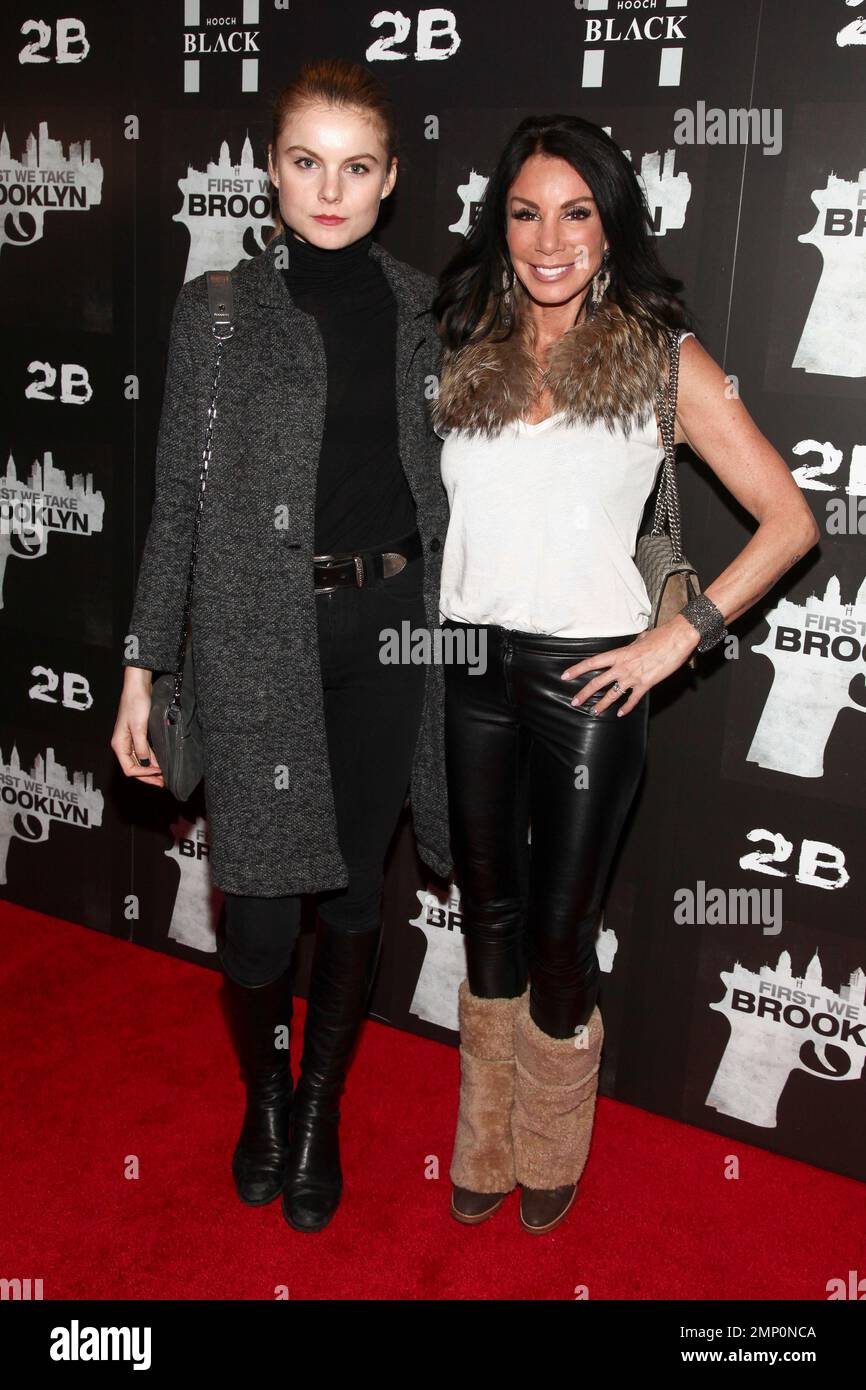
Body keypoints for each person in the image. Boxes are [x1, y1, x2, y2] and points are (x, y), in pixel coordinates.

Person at [430, 114, 820, 1235]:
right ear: (497, 223)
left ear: (610, 229)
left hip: (586, 682)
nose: (548, 239)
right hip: (465, 662)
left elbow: (788, 520)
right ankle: (483, 1137)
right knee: (486, 918)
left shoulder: (661, 355)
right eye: (523, 212)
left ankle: (550, 1139)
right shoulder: (468, 337)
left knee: (558, 928)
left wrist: (676, 635)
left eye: (575, 213)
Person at [111, 58, 452, 1234]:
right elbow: (177, 510)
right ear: (270, 167)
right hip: (259, 637)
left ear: (389, 179)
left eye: (356, 167)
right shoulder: (216, 310)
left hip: (389, 633)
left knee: (356, 892)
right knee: (257, 915)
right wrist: (142, 668)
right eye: (305, 160)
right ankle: (262, 1095)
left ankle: (316, 1112)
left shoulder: (422, 310)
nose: (328, 188)